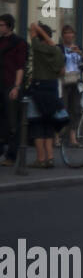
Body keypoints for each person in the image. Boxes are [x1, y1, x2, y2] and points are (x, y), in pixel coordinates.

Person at [25, 22, 68, 168]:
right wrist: (41, 31)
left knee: (37, 123)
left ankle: (40, 159)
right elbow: (62, 72)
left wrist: (35, 28)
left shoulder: (38, 47)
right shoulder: (58, 52)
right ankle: (50, 158)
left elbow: (33, 35)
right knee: (49, 124)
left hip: (38, 88)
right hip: (52, 89)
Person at [0, 14, 28, 166]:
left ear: (9, 26)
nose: (0, 28)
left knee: (12, 122)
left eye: (1, 25)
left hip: (11, 85)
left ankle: (11, 156)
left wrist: (17, 86)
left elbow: (20, 66)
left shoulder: (19, 43)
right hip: (0, 84)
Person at [58, 25, 83, 147]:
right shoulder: (59, 48)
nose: (68, 35)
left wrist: (80, 53)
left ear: (74, 35)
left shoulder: (78, 48)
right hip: (63, 82)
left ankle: (72, 137)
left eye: (71, 33)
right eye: (66, 33)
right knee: (62, 109)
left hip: (76, 82)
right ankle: (57, 136)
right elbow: (57, 63)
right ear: (63, 36)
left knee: (75, 110)